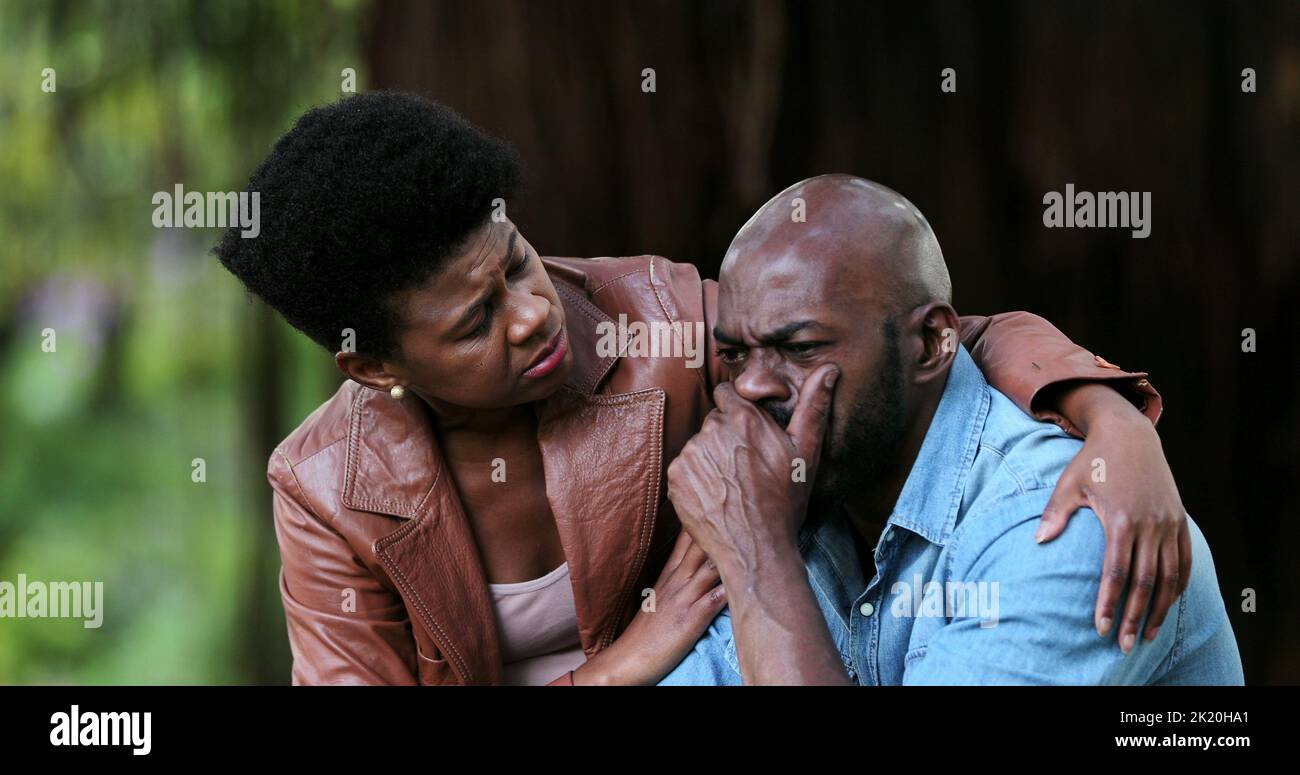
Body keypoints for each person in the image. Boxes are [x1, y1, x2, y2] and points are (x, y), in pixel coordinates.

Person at [214, 92, 1188, 685]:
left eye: (517, 262)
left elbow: (911, 332)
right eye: (475, 321)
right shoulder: (326, 489)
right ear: (375, 365)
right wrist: (629, 658)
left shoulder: (662, 324)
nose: (532, 313)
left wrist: (1106, 417)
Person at [660, 175, 1244, 684]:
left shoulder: (1061, 530)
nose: (754, 387)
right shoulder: (786, 499)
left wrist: (760, 561)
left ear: (933, 343)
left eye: (802, 347)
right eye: (735, 355)